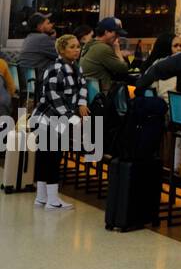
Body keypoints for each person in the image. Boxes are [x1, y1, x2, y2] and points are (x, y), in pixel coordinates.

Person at [31, 35, 89, 211]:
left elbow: (83, 86)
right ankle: (52, 199)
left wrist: (82, 103)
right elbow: (54, 97)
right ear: (62, 50)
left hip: (57, 120)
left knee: (46, 157)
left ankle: (42, 197)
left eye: (78, 46)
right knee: (51, 158)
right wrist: (73, 118)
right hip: (48, 120)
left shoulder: (76, 68)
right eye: (72, 47)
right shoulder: (56, 69)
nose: (77, 50)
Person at [79, 17, 133, 96]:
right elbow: (123, 69)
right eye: (116, 33)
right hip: (101, 96)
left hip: (89, 92)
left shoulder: (91, 43)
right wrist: (117, 49)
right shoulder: (103, 48)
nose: (117, 37)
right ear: (106, 32)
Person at [17, 13, 58, 80]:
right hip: (37, 82)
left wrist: (52, 39)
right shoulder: (42, 38)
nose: (51, 25)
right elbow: (62, 54)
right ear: (40, 26)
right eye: (48, 23)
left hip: (26, 80)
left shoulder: (29, 37)